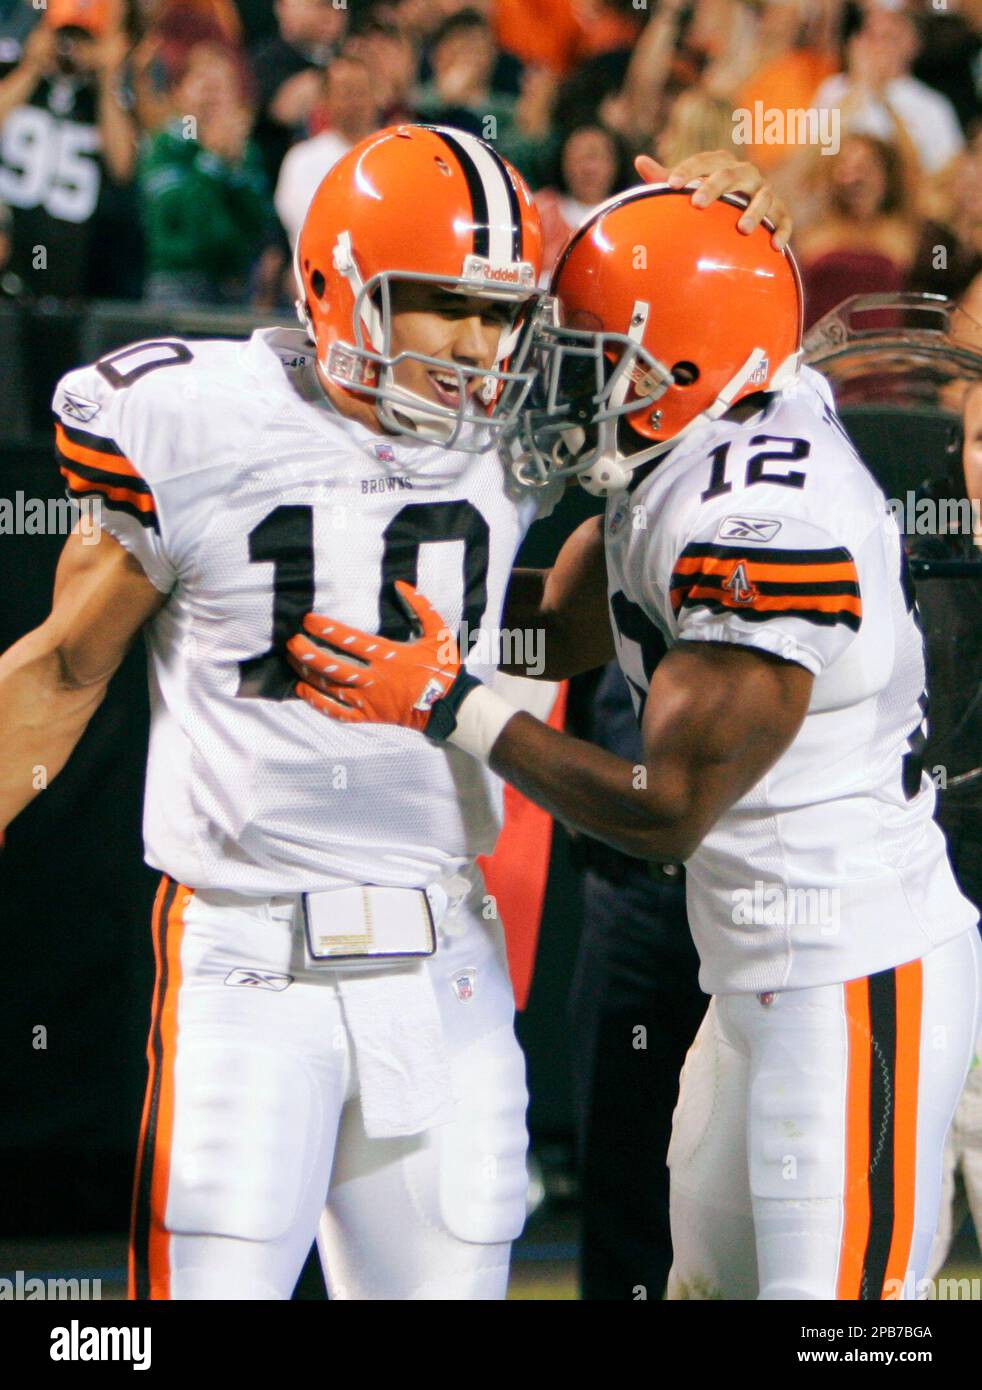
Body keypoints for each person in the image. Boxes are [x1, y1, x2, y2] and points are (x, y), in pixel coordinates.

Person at [0, 125, 787, 1299]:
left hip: (444, 954)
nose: (478, 347)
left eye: (497, 312)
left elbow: (687, 344)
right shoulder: (197, 422)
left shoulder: (520, 423)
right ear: (333, 283)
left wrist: (704, 224)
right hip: (242, 952)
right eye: (438, 307)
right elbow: (62, 671)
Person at [289, 185, 982, 1300]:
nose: (557, 384)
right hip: (755, 976)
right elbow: (558, 626)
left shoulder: (768, 522)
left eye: (593, 356)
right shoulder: (699, 433)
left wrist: (448, 703)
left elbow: (666, 802)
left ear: (685, 373)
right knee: (704, 1290)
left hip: (857, 977)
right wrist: (379, 594)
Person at [0, 0, 136, 300]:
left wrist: (106, 77)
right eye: (65, 36)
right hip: (9, 254)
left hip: (72, 271)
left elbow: (123, 166)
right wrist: (31, 67)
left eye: (85, 39)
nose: (72, 48)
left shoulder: (108, 98)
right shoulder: (13, 72)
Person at [138, 41, 269, 305]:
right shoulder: (165, 146)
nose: (212, 96)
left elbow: (255, 225)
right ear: (178, 93)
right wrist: (212, 161)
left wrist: (233, 168)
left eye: (221, 86)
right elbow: (180, 219)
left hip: (235, 287)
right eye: (203, 84)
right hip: (177, 287)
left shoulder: (247, 153)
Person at [274, 54, 380, 247]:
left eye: (362, 92)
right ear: (325, 99)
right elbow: (308, 223)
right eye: (347, 92)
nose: (356, 102)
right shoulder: (302, 160)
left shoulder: (393, 152)